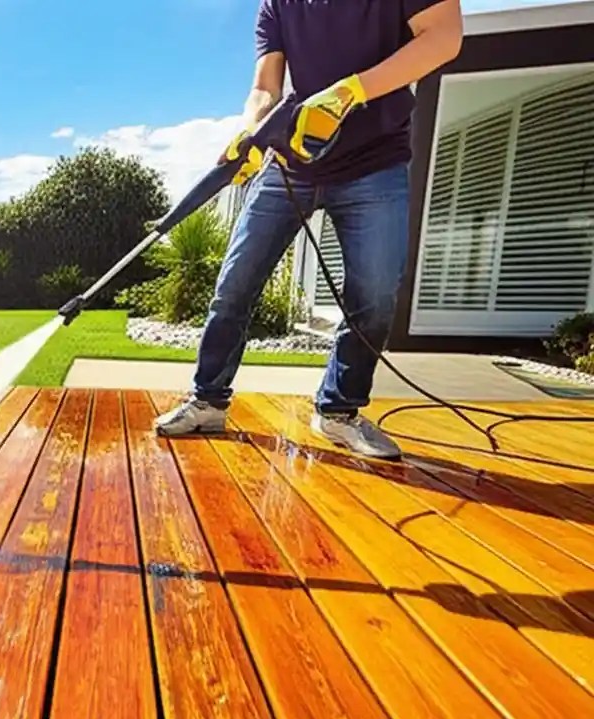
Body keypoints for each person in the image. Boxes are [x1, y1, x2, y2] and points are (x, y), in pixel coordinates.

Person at [154, 0, 465, 459]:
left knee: (374, 297)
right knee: (234, 285)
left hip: (375, 164)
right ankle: (208, 401)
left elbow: (444, 37)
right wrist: (250, 129)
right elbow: (265, 86)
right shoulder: (278, 4)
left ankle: (338, 413)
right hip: (290, 166)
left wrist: (350, 91)